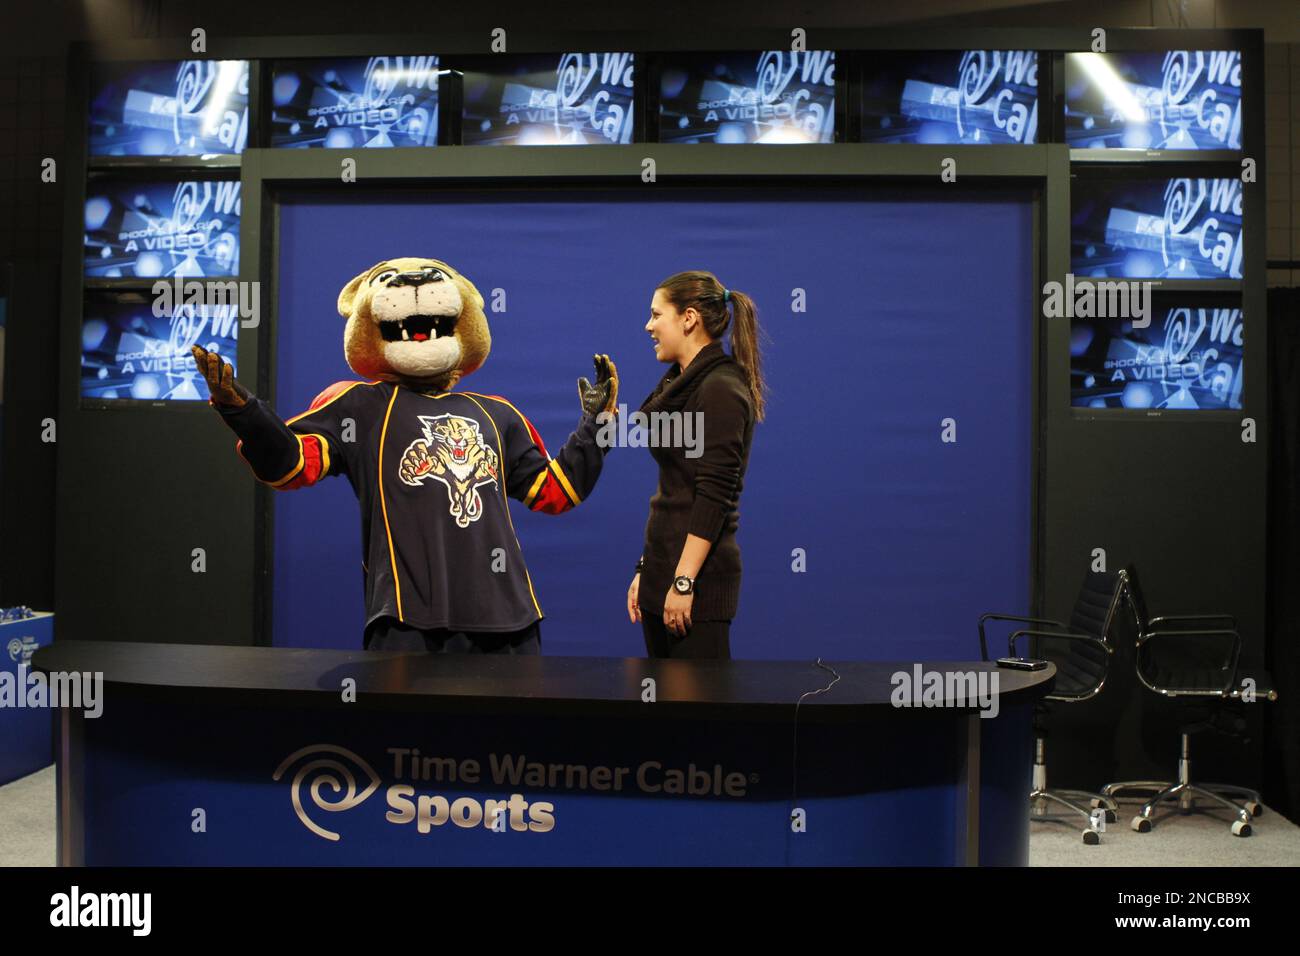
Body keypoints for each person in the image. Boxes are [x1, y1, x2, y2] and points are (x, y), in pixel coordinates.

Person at [627, 271, 765, 659]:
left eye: (656, 315)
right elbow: (675, 490)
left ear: (689, 318)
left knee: (698, 714)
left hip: (694, 588)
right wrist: (646, 568)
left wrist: (684, 583)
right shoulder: (681, 384)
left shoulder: (720, 387)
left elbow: (713, 495)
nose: (648, 326)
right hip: (662, 578)